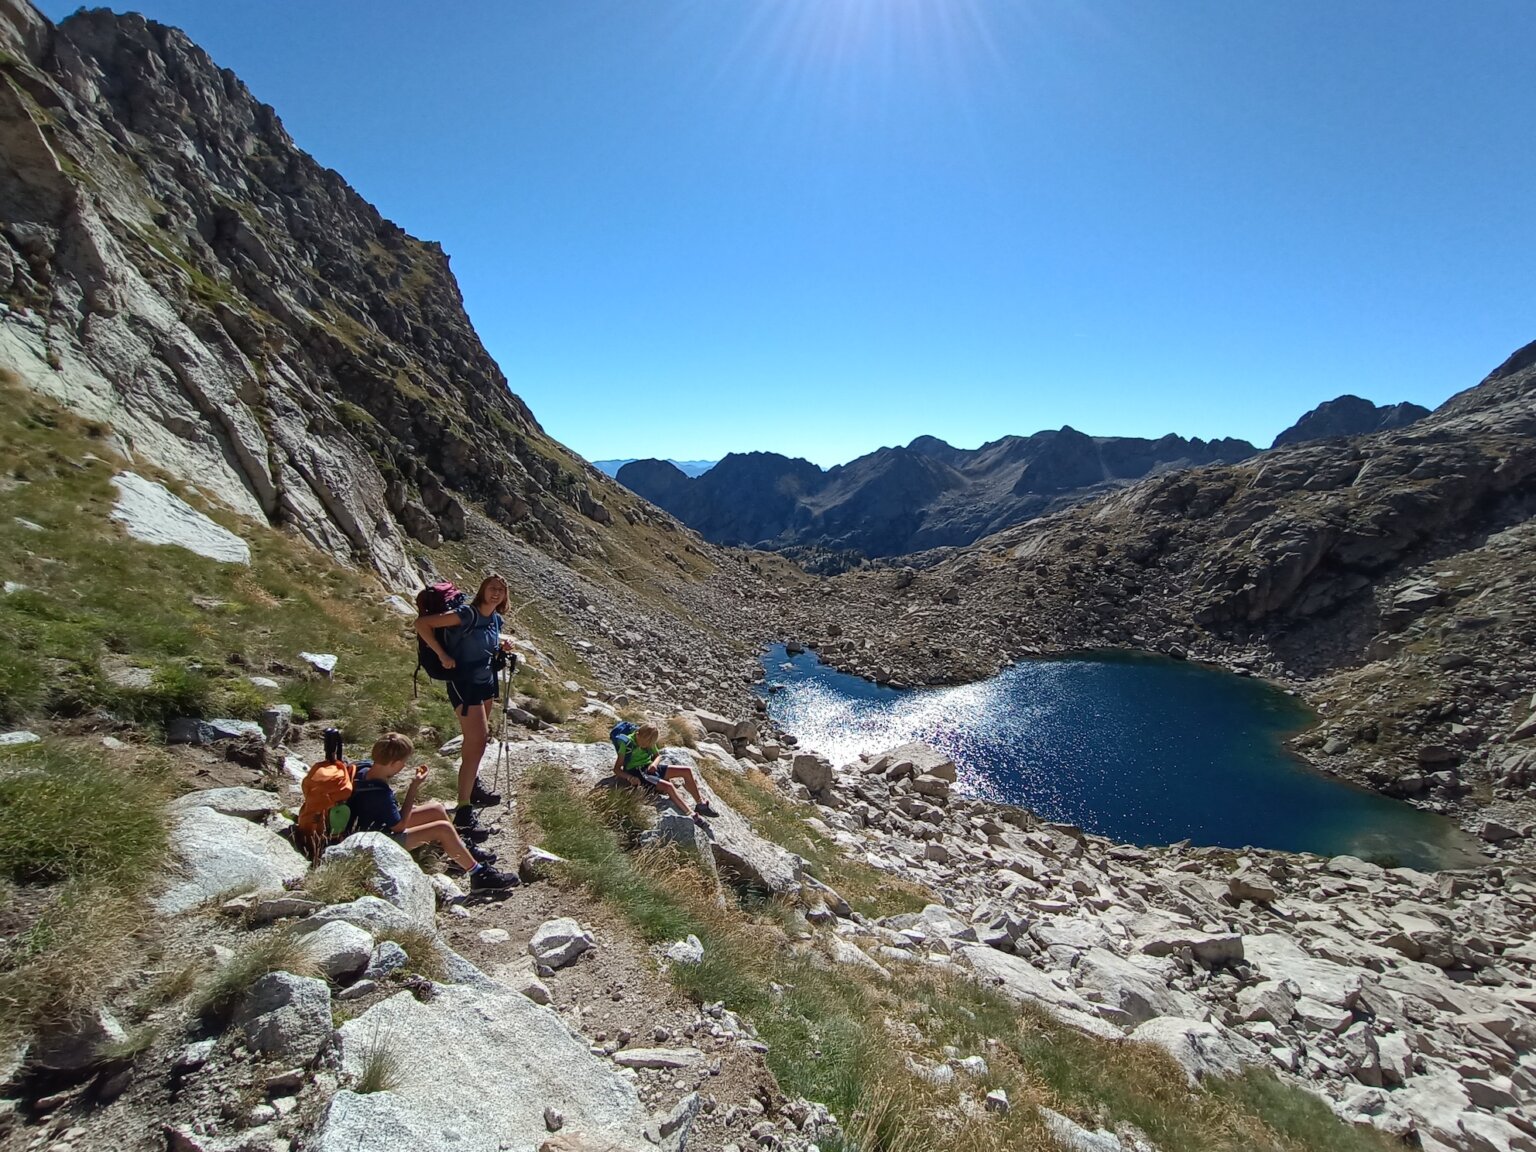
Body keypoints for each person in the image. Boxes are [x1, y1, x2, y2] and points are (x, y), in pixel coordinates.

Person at [347, 733, 516, 892]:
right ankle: (478, 875)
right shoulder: (378, 792)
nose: (404, 765)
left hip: (372, 826)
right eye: (403, 762)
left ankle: (461, 850)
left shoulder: (363, 768)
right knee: (442, 828)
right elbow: (399, 826)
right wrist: (414, 787)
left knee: (436, 809)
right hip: (380, 841)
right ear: (395, 763)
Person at [415, 573, 515, 835]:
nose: (496, 593)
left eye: (501, 590)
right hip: (464, 683)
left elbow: (485, 645)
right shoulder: (466, 614)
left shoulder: (495, 618)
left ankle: (471, 787)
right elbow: (422, 624)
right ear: (482, 590)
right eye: (492, 588)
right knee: (478, 740)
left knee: (476, 742)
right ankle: (463, 809)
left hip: (485, 682)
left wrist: (502, 647)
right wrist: (442, 653)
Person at [612, 723, 718, 819]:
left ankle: (701, 804)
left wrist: (654, 764)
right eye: (644, 744)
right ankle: (692, 815)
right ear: (638, 734)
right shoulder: (626, 744)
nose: (645, 746)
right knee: (668, 786)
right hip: (638, 772)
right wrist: (630, 778)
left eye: (648, 745)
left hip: (650, 768)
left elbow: (657, 756)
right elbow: (617, 769)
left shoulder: (648, 740)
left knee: (686, 771)